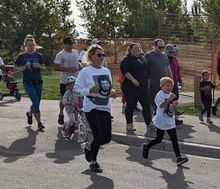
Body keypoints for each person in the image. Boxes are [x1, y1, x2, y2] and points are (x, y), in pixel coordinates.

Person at [75, 43, 114, 173]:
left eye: (103, 55)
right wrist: (90, 90)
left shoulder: (106, 71)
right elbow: (76, 90)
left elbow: (107, 87)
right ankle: (93, 162)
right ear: (91, 56)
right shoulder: (85, 72)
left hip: (105, 106)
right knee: (98, 135)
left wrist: (111, 91)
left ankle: (88, 147)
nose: (102, 57)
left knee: (107, 137)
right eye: (99, 55)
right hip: (91, 107)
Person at [141, 77, 188, 166]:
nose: (169, 87)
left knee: (174, 139)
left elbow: (171, 110)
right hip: (161, 120)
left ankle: (178, 158)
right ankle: (147, 146)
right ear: (161, 86)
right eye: (167, 85)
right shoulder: (160, 95)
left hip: (170, 121)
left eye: (171, 86)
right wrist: (170, 99)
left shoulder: (170, 94)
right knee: (159, 139)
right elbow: (162, 105)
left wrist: (174, 105)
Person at [14, 35, 46, 131]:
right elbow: (15, 67)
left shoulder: (38, 55)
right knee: (36, 102)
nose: (31, 47)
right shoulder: (22, 56)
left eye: (32, 45)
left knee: (36, 102)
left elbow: (44, 67)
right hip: (28, 82)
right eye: (29, 45)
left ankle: (29, 113)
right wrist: (23, 68)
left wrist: (39, 66)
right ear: (25, 46)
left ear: (35, 45)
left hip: (38, 82)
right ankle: (39, 123)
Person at [120, 42, 152, 133]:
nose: (137, 49)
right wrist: (133, 80)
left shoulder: (142, 58)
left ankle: (149, 124)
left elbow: (147, 70)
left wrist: (148, 82)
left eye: (138, 47)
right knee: (130, 106)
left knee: (146, 105)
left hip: (143, 87)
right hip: (130, 88)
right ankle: (129, 125)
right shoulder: (126, 59)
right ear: (130, 50)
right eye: (135, 48)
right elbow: (125, 71)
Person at [54, 37, 80, 125]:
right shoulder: (60, 54)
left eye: (72, 43)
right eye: (69, 44)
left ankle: (75, 119)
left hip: (76, 80)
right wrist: (67, 69)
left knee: (76, 99)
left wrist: (80, 66)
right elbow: (56, 67)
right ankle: (61, 113)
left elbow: (77, 62)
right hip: (65, 81)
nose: (71, 45)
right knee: (64, 99)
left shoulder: (76, 52)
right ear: (64, 44)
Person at [145, 39, 170, 124]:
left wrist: (172, 80)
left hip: (164, 85)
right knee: (152, 103)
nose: (162, 49)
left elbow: (168, 68)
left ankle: (162, 120)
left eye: (163, 47)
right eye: (160, 47)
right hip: (152, 84)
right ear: (154, 46)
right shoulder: (148, 56)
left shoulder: (165, 56)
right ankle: (151, 121)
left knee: (164, 102)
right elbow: (144, 70)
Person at [165, 43, 183, 124]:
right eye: (170, 52)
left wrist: (180, 81)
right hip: (167, 84)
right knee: (168, 101)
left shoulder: (174, 59)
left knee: (175, 98)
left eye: (172, 52)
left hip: (174, 83)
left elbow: (177, 71)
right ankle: (172, 119)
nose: (171, 54)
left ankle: (173, 117)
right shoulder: (164, 59)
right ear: (166, 52)